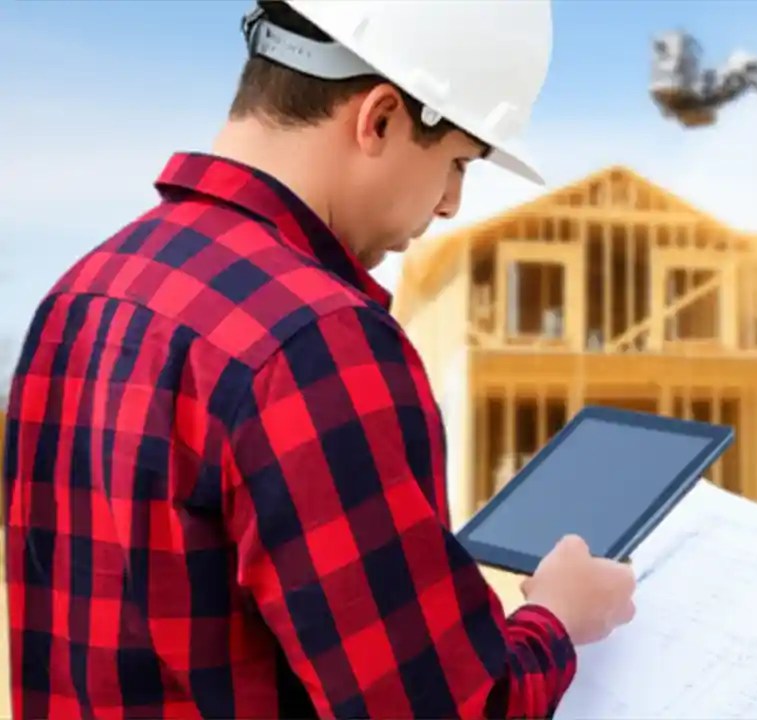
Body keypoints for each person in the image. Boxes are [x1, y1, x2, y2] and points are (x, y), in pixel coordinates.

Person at [2, 1, 637, 718]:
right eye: (458, 161)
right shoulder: (317, 340)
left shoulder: (82, 295)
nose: (453, 203)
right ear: (382, 118)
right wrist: (557, 618)